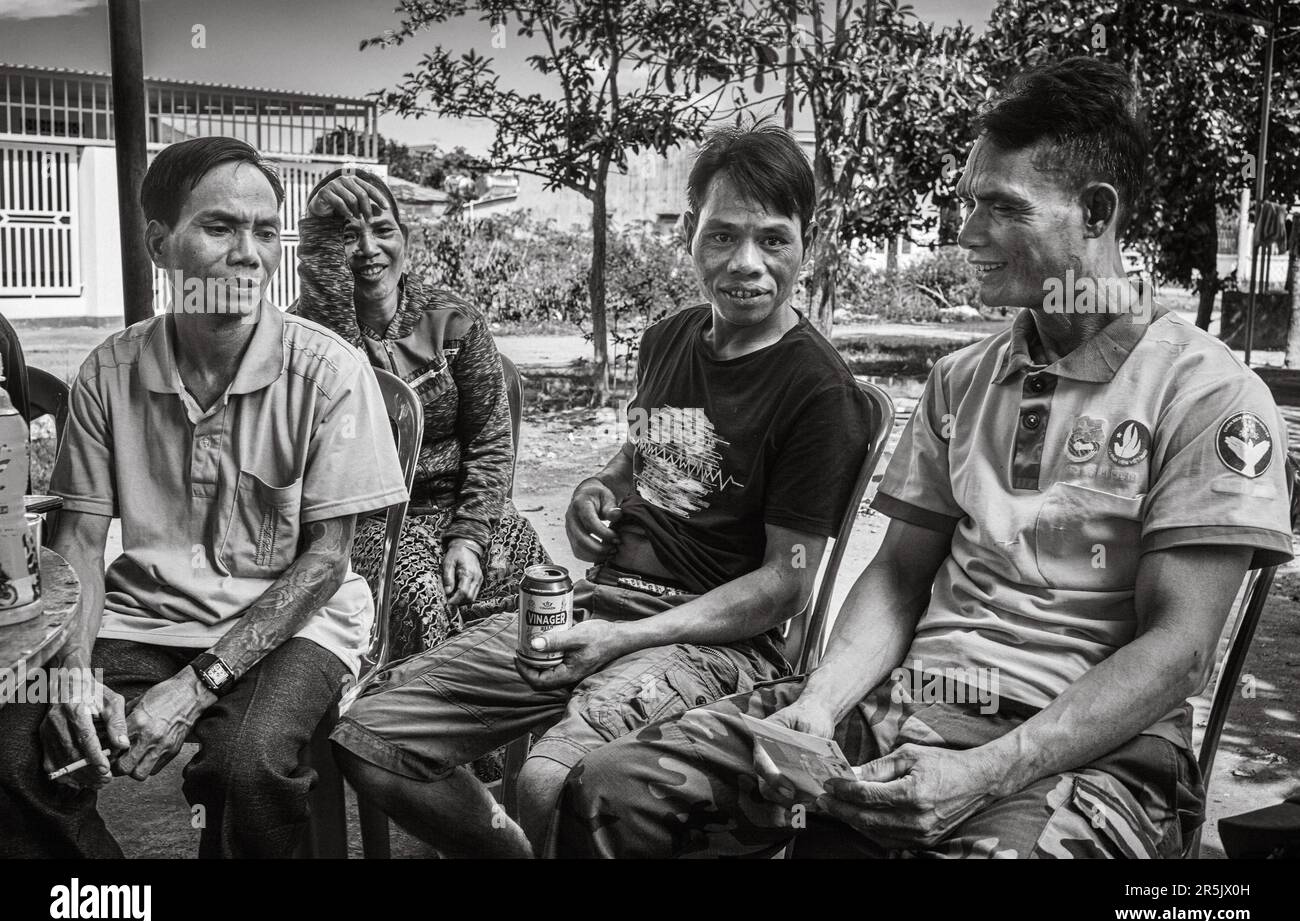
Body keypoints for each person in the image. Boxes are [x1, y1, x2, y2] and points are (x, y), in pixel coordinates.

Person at [554, 57, 1295, 859]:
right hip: (907, 700)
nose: (967, 234)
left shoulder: (1208, 395)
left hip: (1092, 746)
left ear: (1096, 212)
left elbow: (1177, 650)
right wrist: (820, 704)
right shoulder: (961, 379)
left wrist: (989, 770)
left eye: (1001, 208)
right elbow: (899, 575)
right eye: (969, 203)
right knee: (615, 790)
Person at [329, 122, 874, 857]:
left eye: (774, 240)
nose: (746, 264)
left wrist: (629, 637)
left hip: (715, 642)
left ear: (810, 240)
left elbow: (785, 587)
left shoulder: (819, 389)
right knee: (369, 734)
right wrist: (595, 488)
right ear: (689, 233)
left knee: (552, 779)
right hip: (597, 606)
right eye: (723, 237)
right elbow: (637, 461)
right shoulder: (670, 338)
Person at [0, 137, 408, 858]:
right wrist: (70, 673)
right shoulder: (111, 370)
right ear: (160, 243)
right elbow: (81, 542)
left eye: (263, 232)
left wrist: (195, 686)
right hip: (146, 616)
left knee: (248, 769)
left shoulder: (328, 372)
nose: (249, 253)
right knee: (15, 743)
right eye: (220, 227)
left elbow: (325, 563)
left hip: (298, 623)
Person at [293, 167, 549, 664]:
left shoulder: (452, 320)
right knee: (417, 598)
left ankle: (526, 734)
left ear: (405, 239)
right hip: (364, 520)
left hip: (457, 506)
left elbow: (490, 439)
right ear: (325, 252)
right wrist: (320, 240)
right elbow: (334, 389)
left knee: (537, 586)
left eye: (382, 230)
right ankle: (418, 734)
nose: (368, 248)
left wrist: (471, 537)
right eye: (347, 237)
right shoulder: (306, 332)